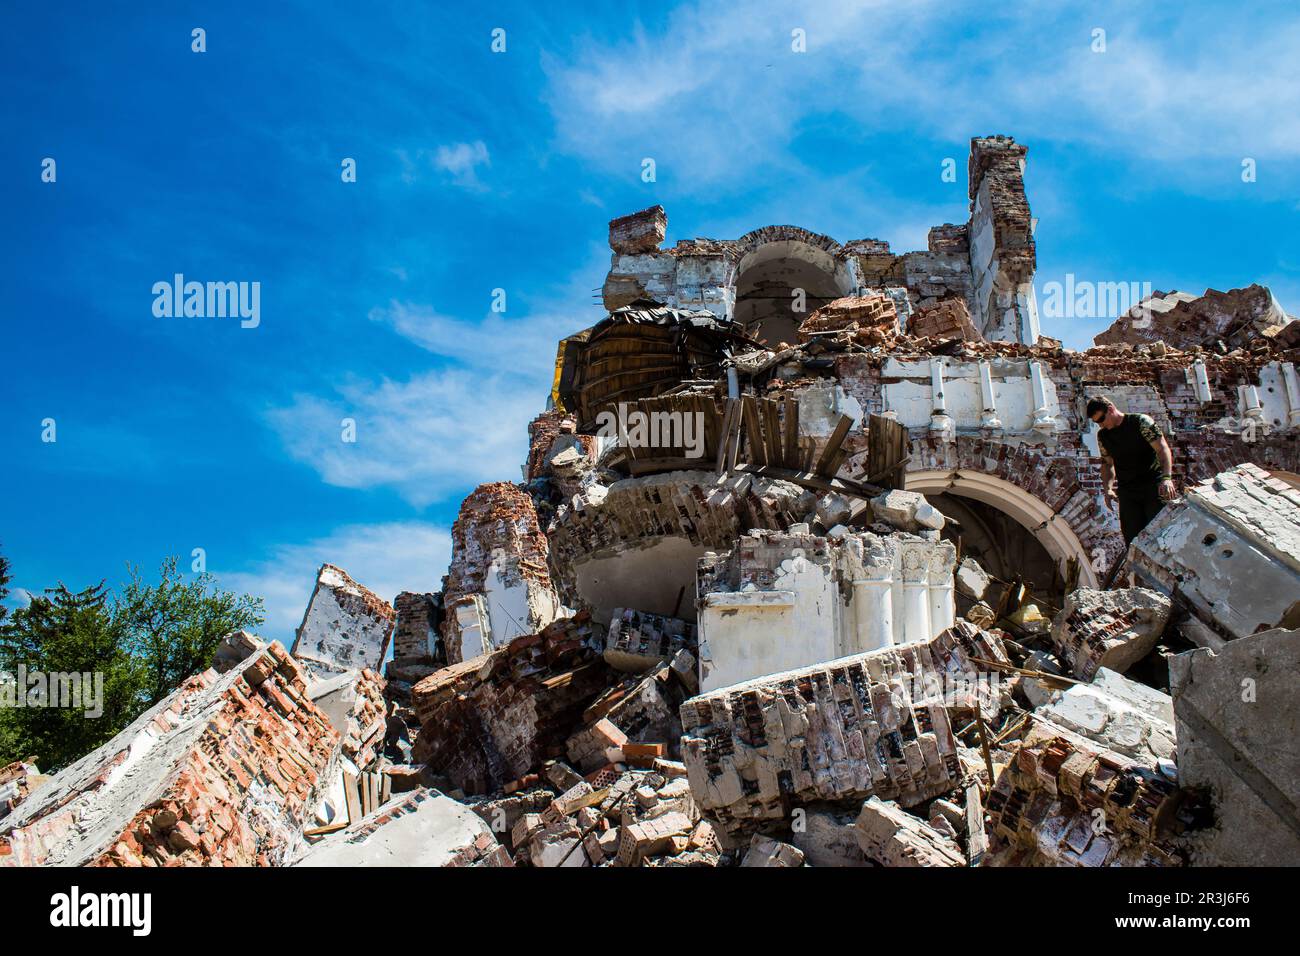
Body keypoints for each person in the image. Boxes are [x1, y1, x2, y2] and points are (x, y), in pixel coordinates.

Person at [1088, 397, 1177, 544]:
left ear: (1111, 409)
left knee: (1160, 534)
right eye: (1097, 422)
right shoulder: (1103, 436)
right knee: (1132, 539)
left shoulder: (1141, 422)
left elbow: (1162, 449)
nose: (1101, 424)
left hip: (1152, 486)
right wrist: (1108, 489)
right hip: (1128, 491)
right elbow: (1107, 464)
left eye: (1102, 419)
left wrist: (1167, 478)